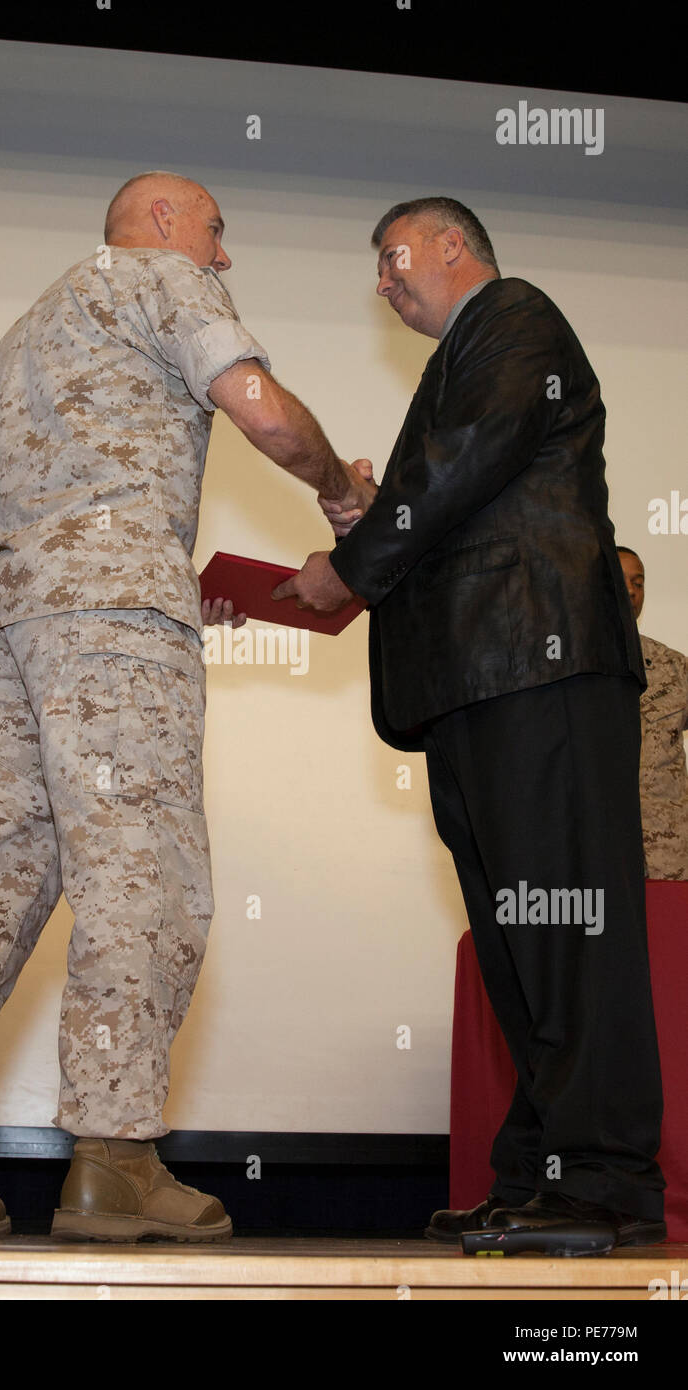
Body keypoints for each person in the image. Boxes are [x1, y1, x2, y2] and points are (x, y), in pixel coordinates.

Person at [0, 172, 370, 1242]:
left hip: (7, 618)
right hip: (113, 615)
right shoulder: (163, 278)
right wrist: (336, 491)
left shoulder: (30, 325)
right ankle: (116, 1155)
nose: (221, 258)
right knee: (142, 868)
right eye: (217, 231)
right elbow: (255, 405)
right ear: (164, 220)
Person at [277, 196, 666, 1249]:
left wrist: (350, 566)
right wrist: (372, 512)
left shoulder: (513, 316)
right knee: (516, 944)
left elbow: (462, 463)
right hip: (477, 682)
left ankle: (605, 1181)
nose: (382, 280)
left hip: (538, 667)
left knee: (568, 929)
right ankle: (543, 1172)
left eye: (392, 255)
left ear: (454, 245)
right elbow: (450, 486)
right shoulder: (464, 357)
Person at [618, 545, 688, 879]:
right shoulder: (569, 671)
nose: (631, 589)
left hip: (670, 855)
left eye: (639, 582)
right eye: (620, 579)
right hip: (603, 852)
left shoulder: (673, 666)